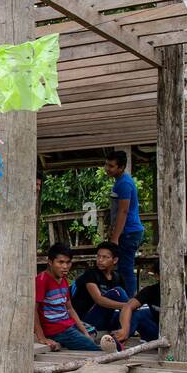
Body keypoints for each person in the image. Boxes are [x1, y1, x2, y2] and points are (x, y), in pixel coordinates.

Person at [112, 281, 187, 360]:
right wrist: (125, 328)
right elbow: (128, 306)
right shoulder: (151, 291)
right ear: (157, 275)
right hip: (160, 334)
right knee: (138, 313)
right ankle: (117, 343)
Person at [35, 243, 100, 352]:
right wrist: (41, 338)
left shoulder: (64, 280)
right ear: (50, 262)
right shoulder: (42, 280)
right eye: (60, 262)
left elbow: (69, 308)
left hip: (68, 325)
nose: (65, 266)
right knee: (94, 349)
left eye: (68, 262)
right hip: (56, 330)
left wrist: (84, 332)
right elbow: (33, 310)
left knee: (92, 332)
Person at [104, 151, 144, 296]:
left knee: (126, 268)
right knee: (121, 268)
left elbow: (123, 212)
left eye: (111, 166)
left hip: (129, 232)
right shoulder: (120, 181)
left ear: (121, 168)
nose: (107, 168)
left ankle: (130, 302)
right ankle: (122, 299)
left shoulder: (124, 183)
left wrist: (115, 238)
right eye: (106, 164)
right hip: (125, 231)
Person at [71, 241, 128, 333]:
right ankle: (124, 333)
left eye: (105, 257)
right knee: (118, 291)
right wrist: (127, 306)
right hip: (86, 321)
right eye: (98, 256)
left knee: (140, 312)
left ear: (115, 260)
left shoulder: (118, 277)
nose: (100, 260)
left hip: (106, 319)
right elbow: (98, 300)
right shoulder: (91, 274)